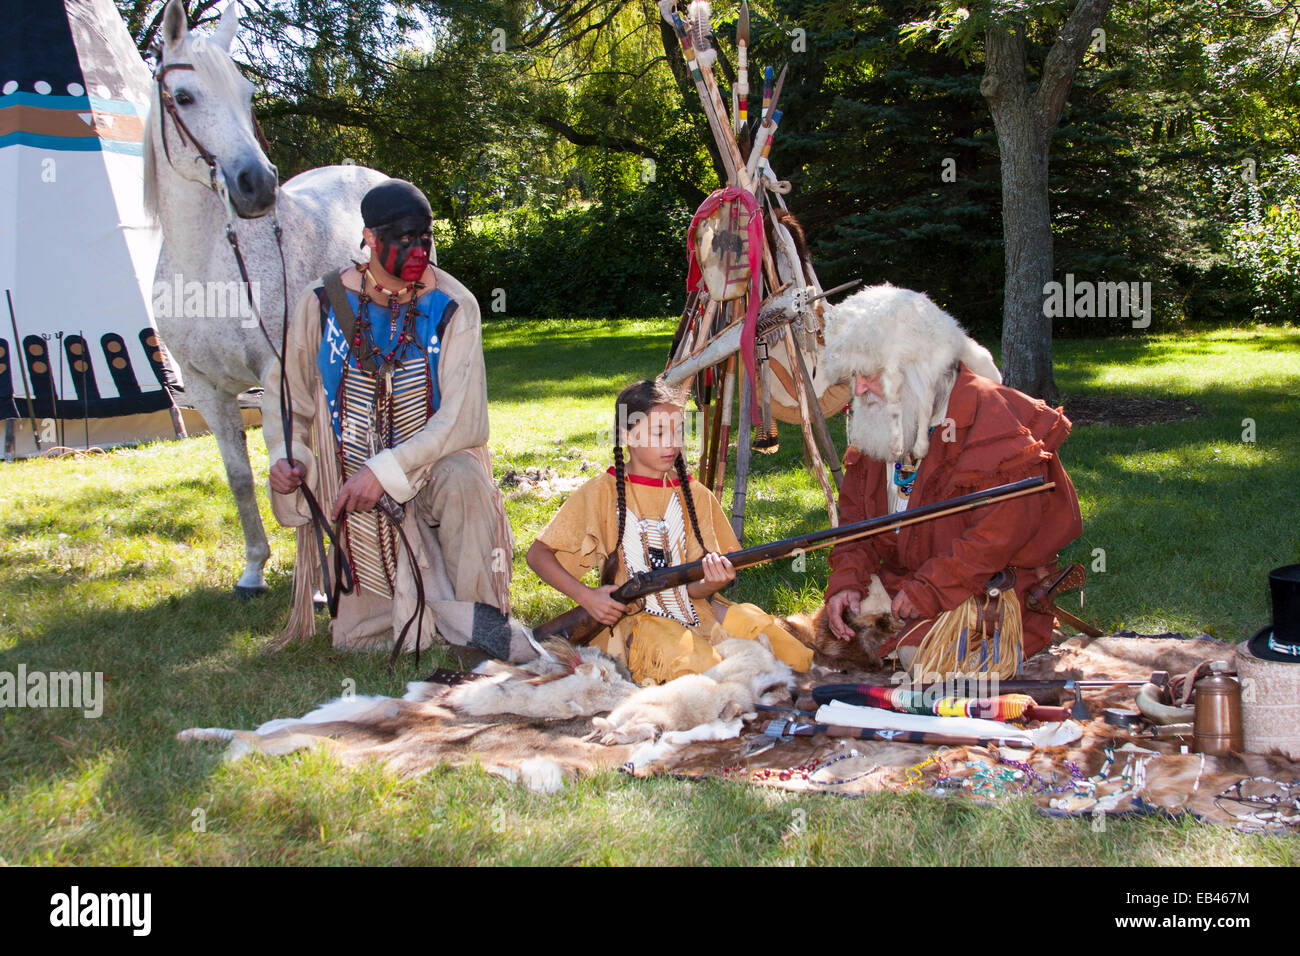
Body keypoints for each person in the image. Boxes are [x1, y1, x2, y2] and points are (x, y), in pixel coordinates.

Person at [263, 178, 521, 662]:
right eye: (401, 238)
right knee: (364, 641)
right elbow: (288, 400)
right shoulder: (320, 304)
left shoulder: (452, 306)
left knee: (466, 477)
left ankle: (478, 620)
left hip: (431, 470)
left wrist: (384, 472)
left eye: (423, 237)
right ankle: (419, 608)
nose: (416, 249)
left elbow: (461, 421)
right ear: (368, 238)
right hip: (350, 480)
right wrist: (288, 457)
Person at [821, 285, 1083, 679]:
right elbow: (857, 521)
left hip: (981, 590)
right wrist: (846, 581)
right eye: (854, 375)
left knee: (924, 662)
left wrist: (929, 588)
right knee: (832, 634)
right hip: (907, 585)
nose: (858, 389)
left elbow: (996, 536)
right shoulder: (878, 417)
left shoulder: (992, 418)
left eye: (870, 374)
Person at [526, 379, 813, 684]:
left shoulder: (696, 495)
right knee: (705, 673)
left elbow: (694, 589)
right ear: (627, 436)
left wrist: (710, 582)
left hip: (697, 609)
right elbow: (537, 555)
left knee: (794, 656)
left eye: (677, 432)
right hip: (639, 620)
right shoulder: (601, 492)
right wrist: (587, 597)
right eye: (659, 433)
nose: (671, 443)